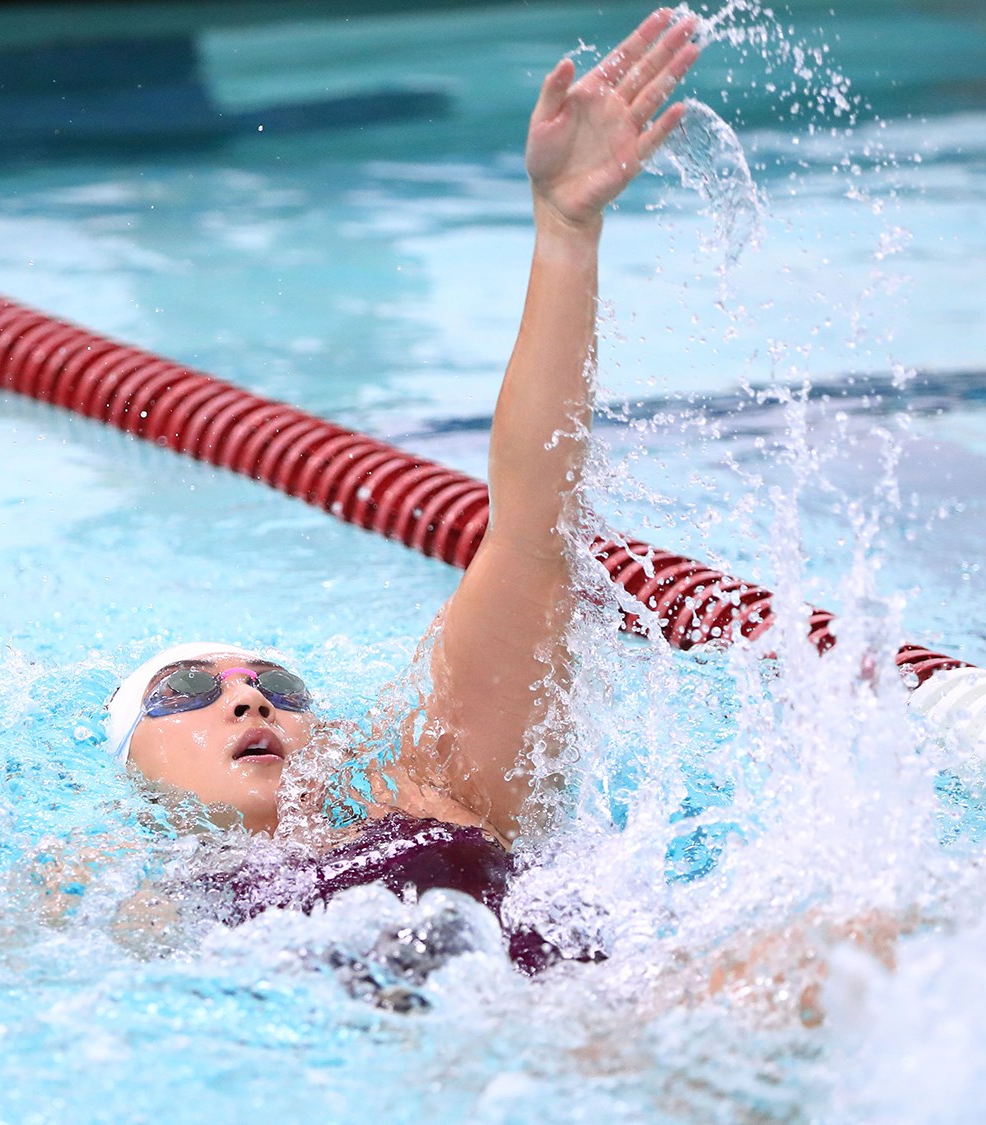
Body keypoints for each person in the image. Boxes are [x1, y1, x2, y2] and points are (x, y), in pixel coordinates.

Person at [101, 9, 706, 977]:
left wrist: (564, 232)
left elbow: (527, 531)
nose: (248, 700)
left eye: (276, 686)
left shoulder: (437, 788)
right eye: (186, 691)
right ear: (132, 775)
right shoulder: (129, 916)